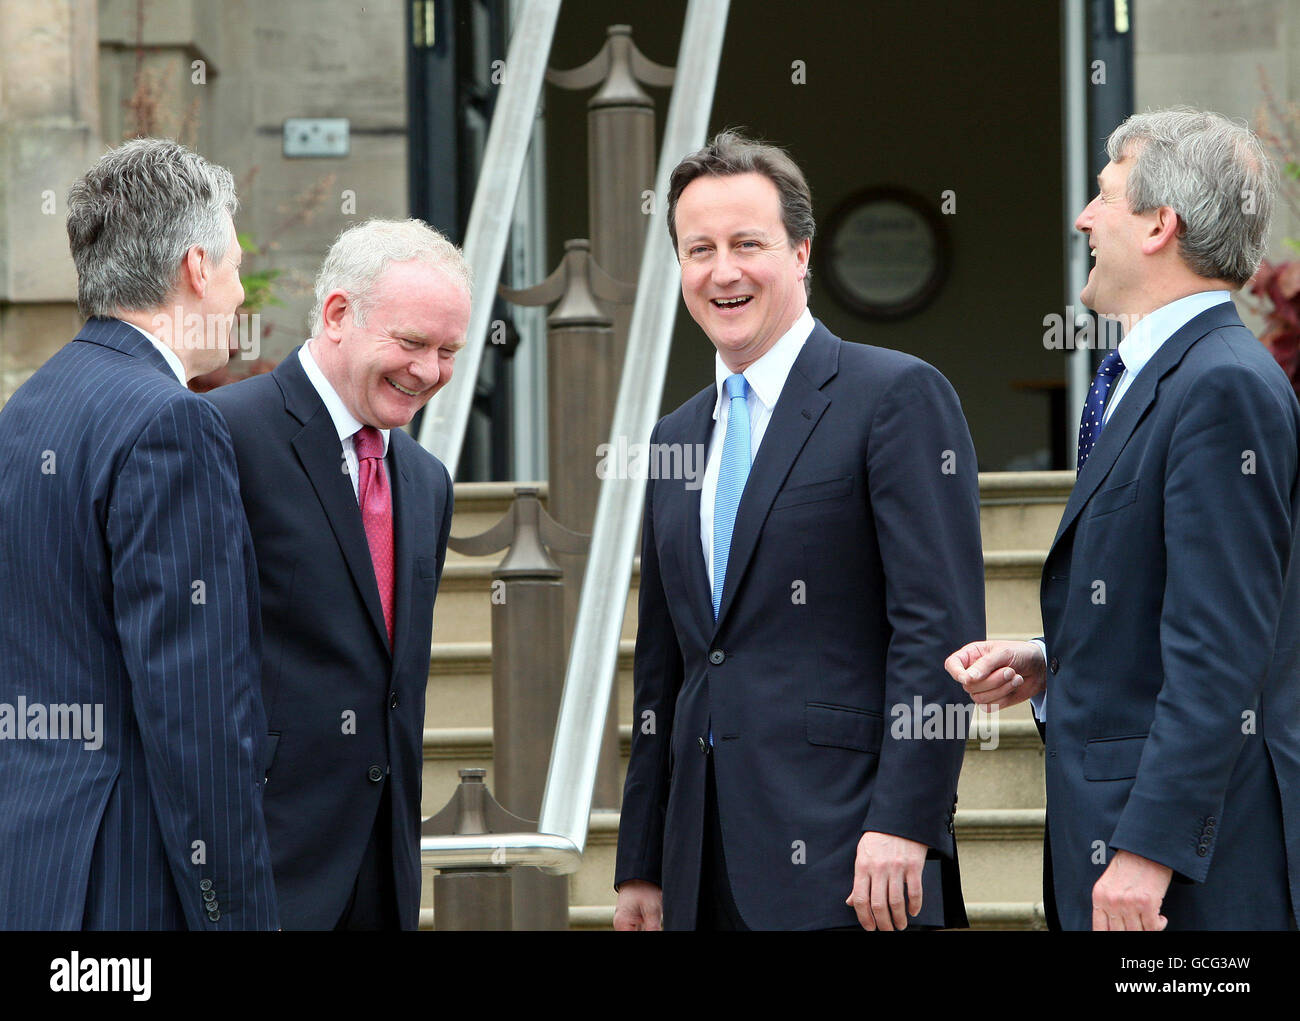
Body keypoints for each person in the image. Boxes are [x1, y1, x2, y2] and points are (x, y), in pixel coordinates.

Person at [613, 131, 986, 930]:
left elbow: (938, 632)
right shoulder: (676, 435)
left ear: (802, 252)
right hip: (700, 868)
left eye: (749, 243)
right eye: (698, 248)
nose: (723, 271)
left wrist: (906, 822)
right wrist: (643, 864)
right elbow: (666, 669)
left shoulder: (895, 397)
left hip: (854, 859)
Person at [947, 108, 1300, 931]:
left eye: (1102, 196)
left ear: (1158, 225)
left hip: (1188, 876)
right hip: (1124, 845)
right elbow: (1164, 605)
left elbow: (1221, 652)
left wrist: (1146, 852)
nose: (1083, 218)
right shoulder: (1165, 377)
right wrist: (1049, 660)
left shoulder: (1222, 386)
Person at [0, 138, 278, 930]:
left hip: (34, 874)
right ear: (196, 267)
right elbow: (199, 715)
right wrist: (237, 917)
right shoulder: (171, 423)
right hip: (130, 887)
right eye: (232, 267)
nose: (236, 293)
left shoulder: (25, 412)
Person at [205, 219, 469, 930]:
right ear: (337, 315)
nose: (429, 371)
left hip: (382, 878)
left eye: (448, 351)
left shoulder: (426, 481)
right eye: (412, 343)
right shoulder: (218, 434)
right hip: (259, 869)